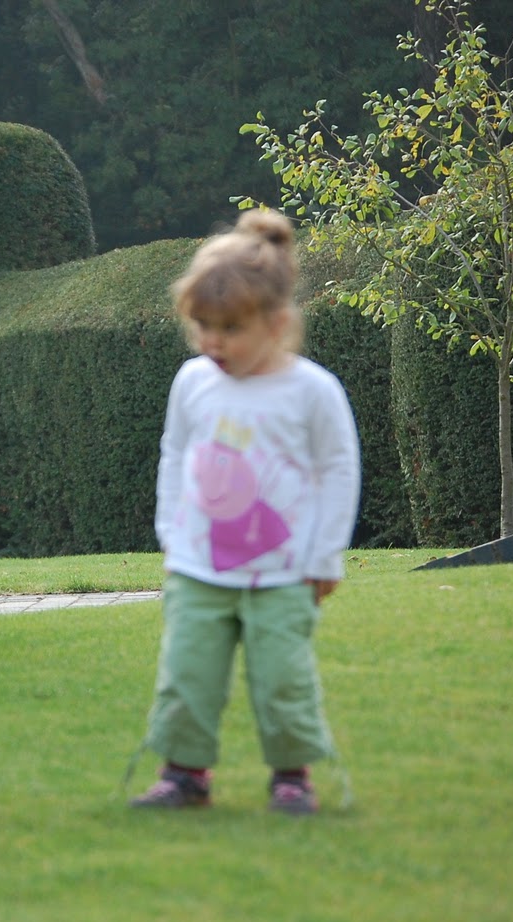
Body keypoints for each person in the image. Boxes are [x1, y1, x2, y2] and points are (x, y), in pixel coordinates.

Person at [129, 208, 360, 815]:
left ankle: (291, 777)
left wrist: (325, 554)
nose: (212, 342)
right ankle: (184, 775)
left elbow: (338, 471)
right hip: (199, 567)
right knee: (187, 674)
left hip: (284, 572)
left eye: (229, 328)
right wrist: (170, 530)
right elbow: (175, 454)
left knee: (283, 680)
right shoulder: (192, 382)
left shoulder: (313, 391)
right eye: (202, 325)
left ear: (277, 321)